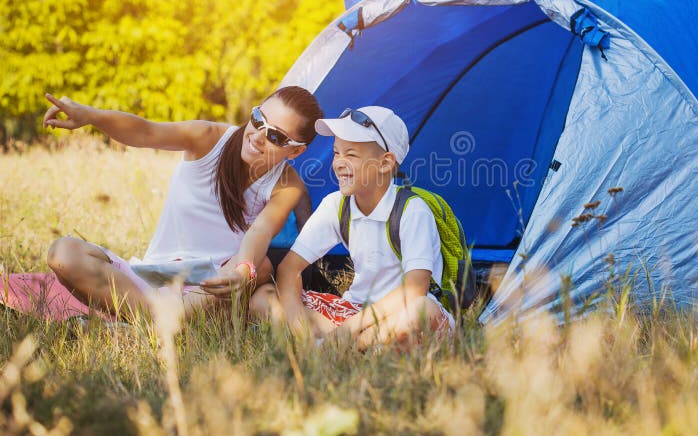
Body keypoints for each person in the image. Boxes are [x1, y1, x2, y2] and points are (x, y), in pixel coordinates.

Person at [44, 86, 323, 318]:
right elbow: (144, 132)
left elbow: (261, 230)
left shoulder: (288, 184)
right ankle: (161, 323)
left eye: (275, 136)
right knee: (63, 253)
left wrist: (242, 270)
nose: (259, 136)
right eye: (258, 119)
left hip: (210, 286)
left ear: (296, 151)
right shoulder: (209, 138)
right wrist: (91, 116)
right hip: (153, 275)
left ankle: (144, 323)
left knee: (259, 268)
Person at [257, 106, 454, 348]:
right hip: (354, 311)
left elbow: (415, 290)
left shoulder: (413, 210)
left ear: (385, 163)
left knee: (421, 310)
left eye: (350, 155)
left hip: (401, 311)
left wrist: (345, 331)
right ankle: (344, 345)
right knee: (263, 298)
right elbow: (289, 270)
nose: (338, 163)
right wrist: (299, 329)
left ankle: (344, 345)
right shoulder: (337, 205)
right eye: (337, 153)